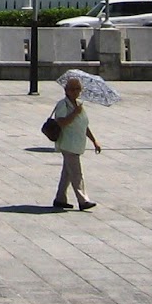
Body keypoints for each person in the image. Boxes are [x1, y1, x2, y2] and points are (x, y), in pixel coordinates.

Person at [51, 77, 102, 211]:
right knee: (76, 173)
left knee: (67, 173)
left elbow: (84, 125)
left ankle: (60, 199)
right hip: (68, 143)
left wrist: (94, 141)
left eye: (77, 89)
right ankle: (83, 200)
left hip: (77, 143)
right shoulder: (63, 104)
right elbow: (60, 122)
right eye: (72, 89)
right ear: (66, 90)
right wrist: (74, 113)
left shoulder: (79, 105)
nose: (75, 92)